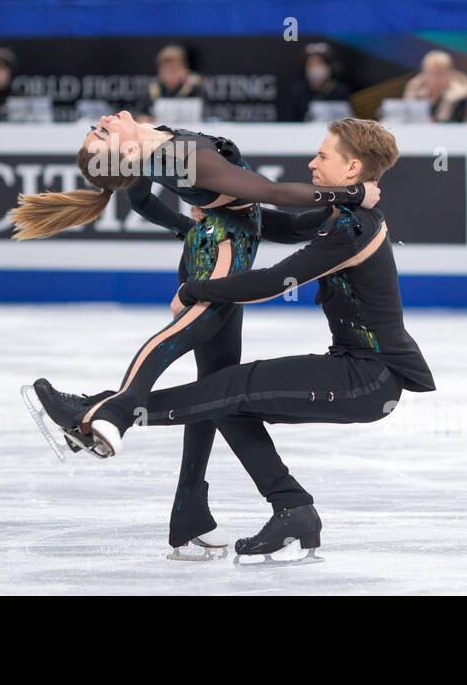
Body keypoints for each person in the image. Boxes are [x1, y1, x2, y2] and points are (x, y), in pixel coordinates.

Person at [35, 119, 434, 559]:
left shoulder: (353, 227)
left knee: (228, 390)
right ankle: (293, 508)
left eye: (323, 156)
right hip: (352, 368)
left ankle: (105, 409)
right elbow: (275, 223)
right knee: (225, 400)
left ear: (353, 167)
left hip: (369, 379)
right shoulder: (340, 216)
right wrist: (220, 219)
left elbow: (271, 282)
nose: (311, 162)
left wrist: (196, 290)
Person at [11, 110, 380, 462]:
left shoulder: (148, 148)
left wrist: (191, 229)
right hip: (223, 250)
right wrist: (352, 195)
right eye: (104, 133)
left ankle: (190, 513)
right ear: (124, 152)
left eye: (96, 127)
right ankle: (113, 412)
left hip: (215, 241)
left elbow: (140, 201)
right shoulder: (180, 159)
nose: (105, 121)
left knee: (214, 388)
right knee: (185, 336)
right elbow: (274, 194)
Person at [279, 42, 352, 122]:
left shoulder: (341, 91)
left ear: (329, 67)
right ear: (304, 68)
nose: (316, 68)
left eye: (320, 63)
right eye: (311, 64)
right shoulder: (297, 92)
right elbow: (288, 122)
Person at [403, 50, 467, 122]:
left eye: (440, 74)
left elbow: (461, 126)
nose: (435, 79)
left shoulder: (461, 96)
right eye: (431, 73)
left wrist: (435, 124)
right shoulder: (414, 92)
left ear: (449, 73)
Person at [143, 43, 204, 116]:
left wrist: (188, 86)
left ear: (184, 69)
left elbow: (206, 114)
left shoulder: (194, 87)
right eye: (167, 69)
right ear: (160, 71)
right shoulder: (153, 90)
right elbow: (140, 114)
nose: (172, 74)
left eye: (176, 69)